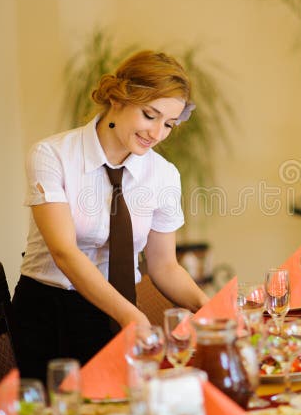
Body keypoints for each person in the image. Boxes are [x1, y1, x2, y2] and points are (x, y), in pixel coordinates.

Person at [11, 50, 209, 381]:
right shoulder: (52, 156)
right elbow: (65, 253)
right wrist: (129, 316)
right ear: (118, 99)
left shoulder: (163, 175)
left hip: (122, 309)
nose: (157, 134)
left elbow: (164, 266)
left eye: (169, 124)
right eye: (150, 115)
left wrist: (209, 309)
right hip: (52, 314)